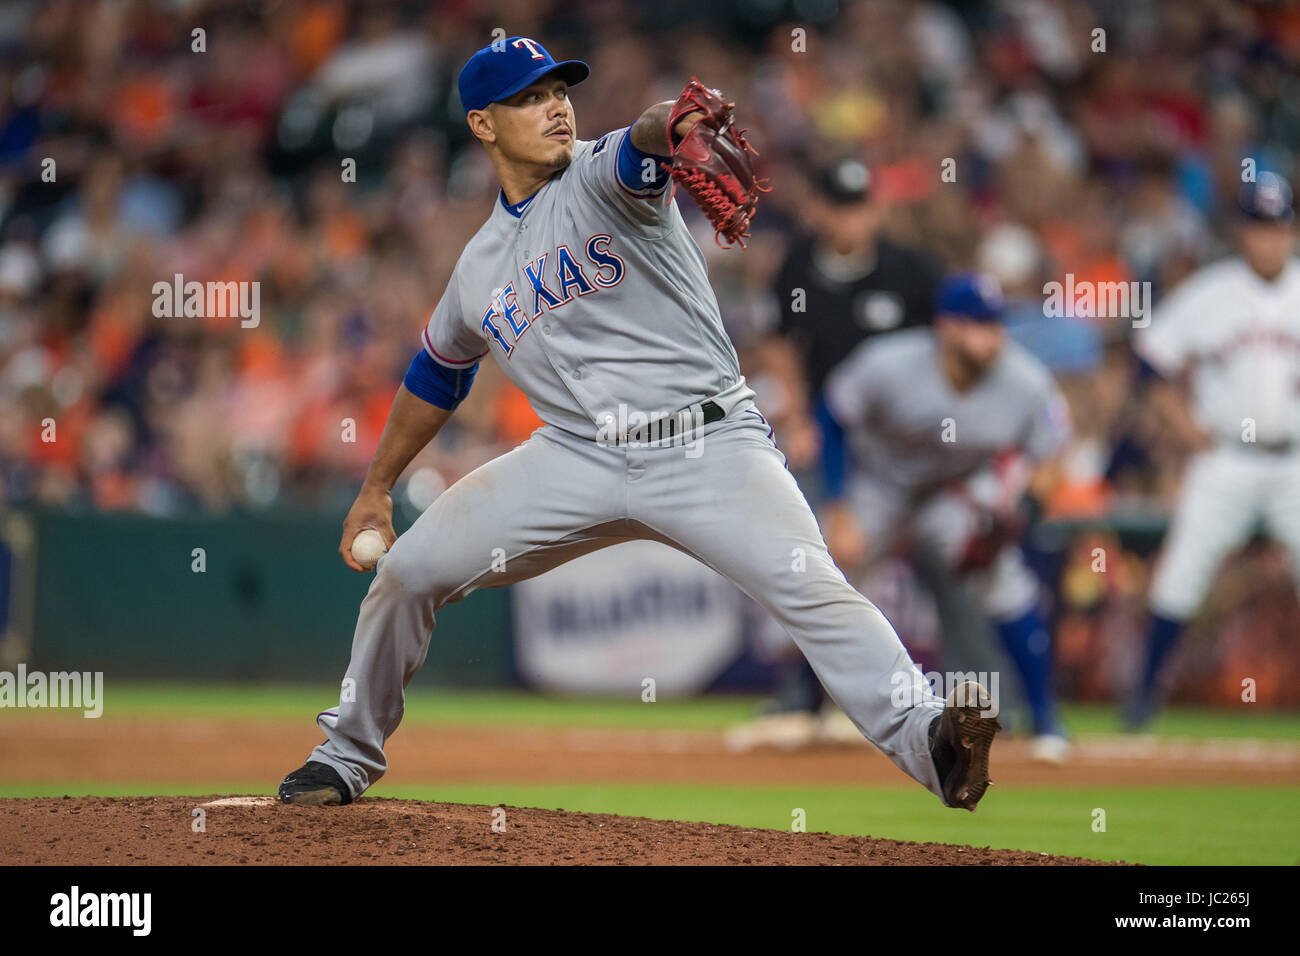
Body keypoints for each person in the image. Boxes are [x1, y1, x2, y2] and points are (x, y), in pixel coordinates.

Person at [276, 37, 1000, 812]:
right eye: (529, 97)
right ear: (482, 125)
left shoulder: (601, 174)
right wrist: (377, 486)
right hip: (574, 458)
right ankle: (345, 755)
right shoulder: (476, 269)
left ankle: (931, 739)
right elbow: (436, 374)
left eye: (560, 89)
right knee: (407, 574)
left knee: (811, 586)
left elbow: (649, 134)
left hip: (708, 444)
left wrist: (680, 120)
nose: (555, 105)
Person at [817, 273, 1073, 762]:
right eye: (978, 323)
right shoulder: (890, 363)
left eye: (997, 324)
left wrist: (1018, 514)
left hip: (948, 493)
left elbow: (1053, 454)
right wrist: (839, 505)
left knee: (1003, 580)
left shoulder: (1025, 382)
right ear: (946, 327)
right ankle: (804, 704)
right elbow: (834, 416)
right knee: (828, 575)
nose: (992, 335)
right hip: (879, 484)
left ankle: (1046, 719)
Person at [1127, 171, 1300, 728]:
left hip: (1294, 460)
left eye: (1277, 226)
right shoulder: (1211, 291)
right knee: (1181, 575)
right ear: (1240, 231)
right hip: (1224, 459)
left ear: (1292, 230)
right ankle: (1142, 703)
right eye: (1257, 226)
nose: (1268, 237)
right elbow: (1148, 362)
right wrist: (1181, 423)